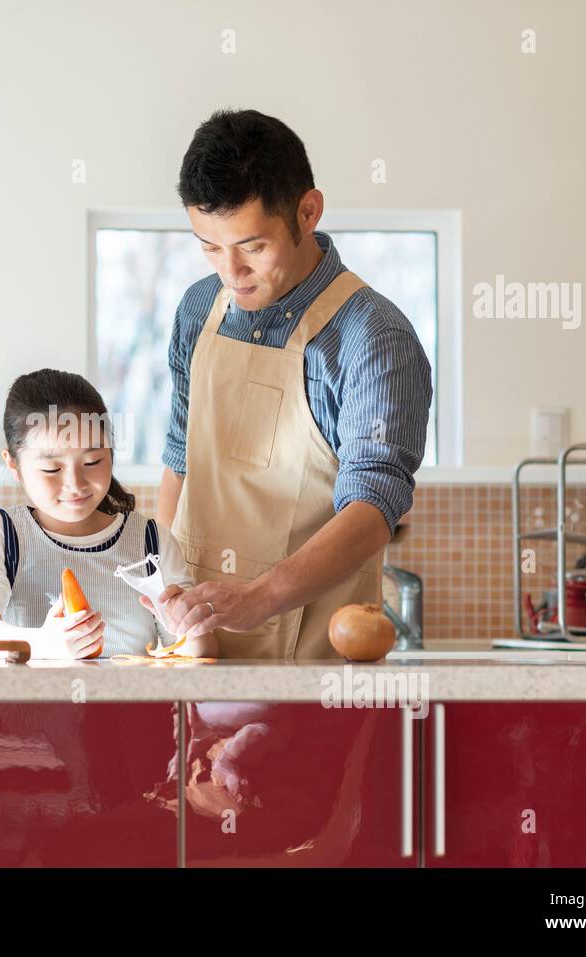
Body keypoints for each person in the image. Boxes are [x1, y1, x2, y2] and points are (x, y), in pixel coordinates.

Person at [156, 108, 433, 659]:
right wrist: (170, 591)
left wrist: (258, 599)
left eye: (253, 247)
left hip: (311, 668)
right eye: (209, 247)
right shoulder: (197, 309)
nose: (230, 274)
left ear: (308, 212)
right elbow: (179, 462)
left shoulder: (373, 338)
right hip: (193, 652)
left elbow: (373, 510)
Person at [0, 368, 203, 658]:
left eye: (93, 461)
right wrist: (45, 644)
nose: (75, 484)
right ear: (14, 465)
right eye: (52, 469)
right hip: (25, 704)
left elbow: (196, 652)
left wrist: (192, 624)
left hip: (128, 703)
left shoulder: (151, 540)